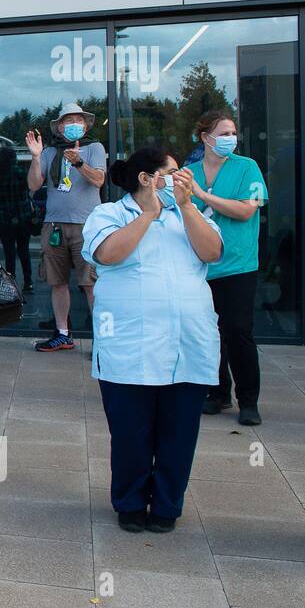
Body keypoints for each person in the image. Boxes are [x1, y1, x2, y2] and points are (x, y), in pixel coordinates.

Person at [83, 148, 223, 532]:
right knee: (132, 434)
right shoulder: (109, 214)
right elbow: (107, 255)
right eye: (173, 172)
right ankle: (129, 502)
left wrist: (188, 208)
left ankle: (166, 506)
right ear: (147, 178)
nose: (182, 177)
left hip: (188, 344)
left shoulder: (191, 213)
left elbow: (213, 251)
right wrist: (149, 215)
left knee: (179, 436)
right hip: (130, 349)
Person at [186, 111, 268, 426]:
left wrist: (205, 196)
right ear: (206, 137)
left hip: (238, 265)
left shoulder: (248, 168)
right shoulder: (188, 172)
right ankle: (218, 393)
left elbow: (247, 211)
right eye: (223, 133)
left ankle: (249, 400)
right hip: (200, 267)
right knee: (208, 333)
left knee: (238, 331)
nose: (230, 138)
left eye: (232, 132)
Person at [26, 102, 105, 350]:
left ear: (85, 124)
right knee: (57, 281)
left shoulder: (94, 148)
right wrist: (36, 157)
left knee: (89, 283)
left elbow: (99, 180)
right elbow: (33, 185)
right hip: (54, 225)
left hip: (86, 225)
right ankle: (62, 333)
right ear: (59, 127)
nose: (74, 125)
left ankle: (103, 340)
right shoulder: (50, 152)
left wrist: (79, 163)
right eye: (69, 121)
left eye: (78, 120)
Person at [0, 146, 35, 292]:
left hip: (5, 218)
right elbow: (31, 188)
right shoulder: (22, 172)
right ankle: (28, 282)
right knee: (24, 250)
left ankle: (11, 282)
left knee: (9, 252)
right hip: (23, 216)